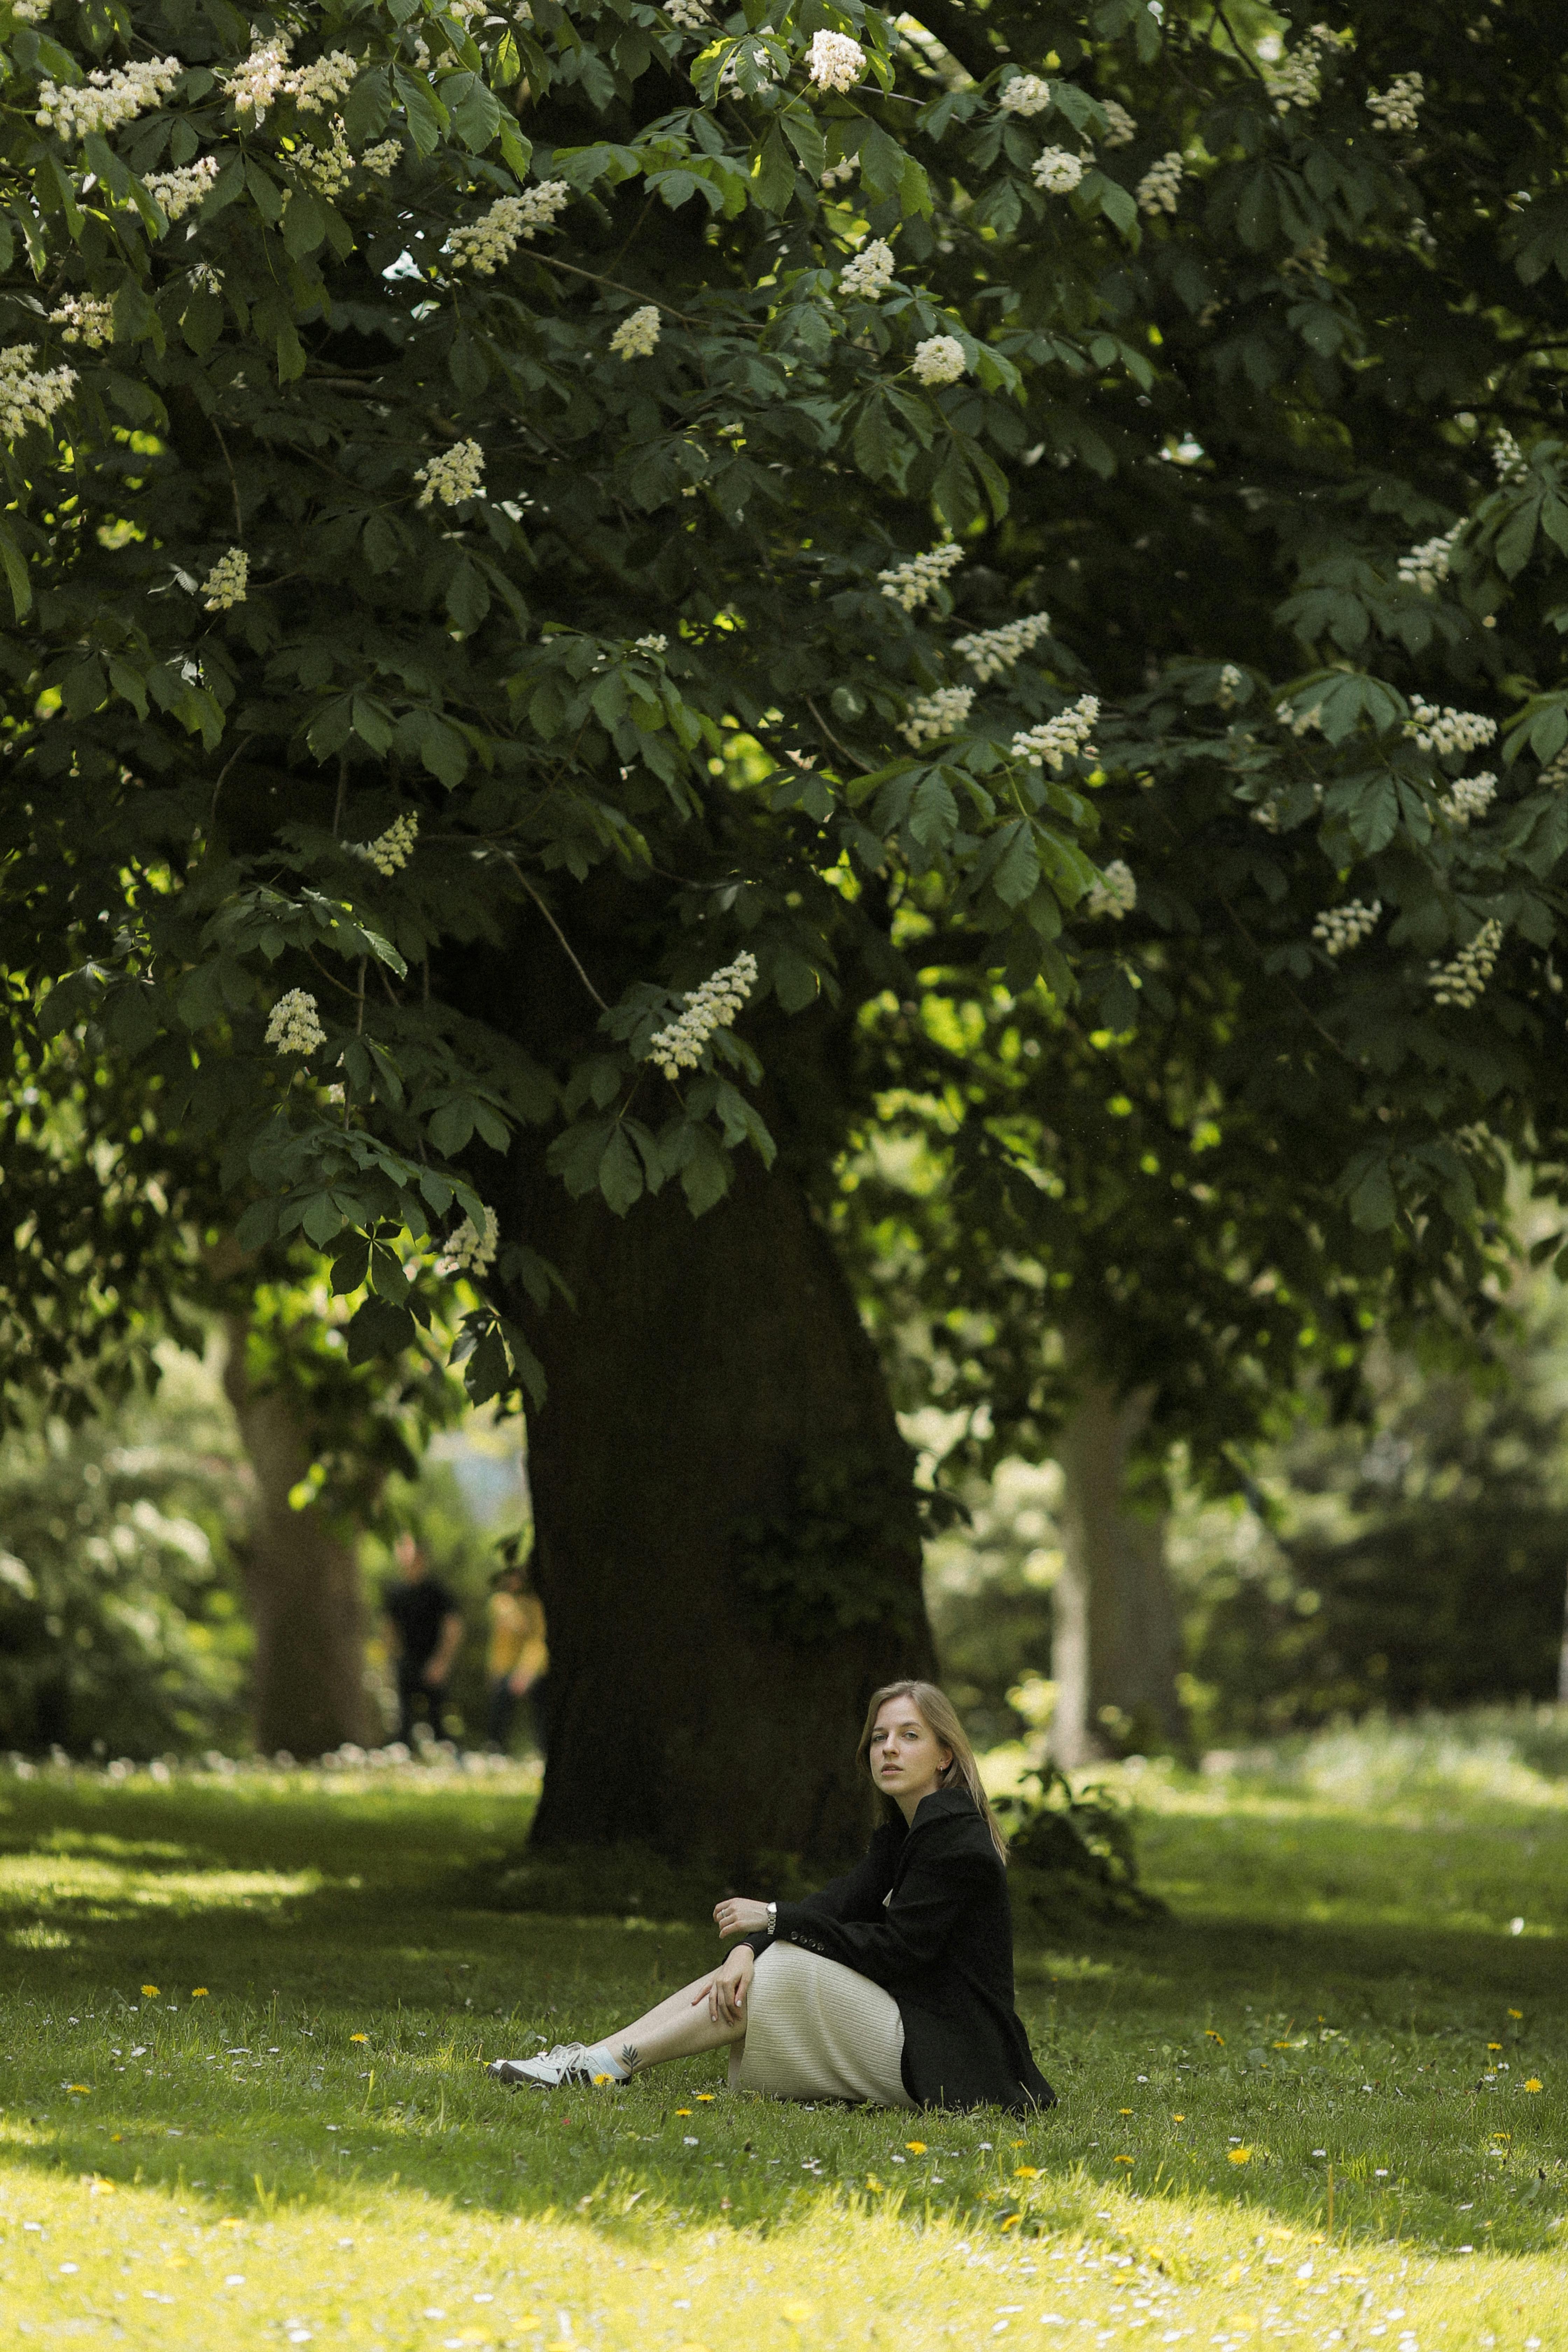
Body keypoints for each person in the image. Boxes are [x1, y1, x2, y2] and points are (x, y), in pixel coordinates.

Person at [487, 1678, 1055, 2115]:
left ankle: (609, 2065)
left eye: (910, 1736)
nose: (889, 1749)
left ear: (944, 1755)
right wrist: (748, 1947)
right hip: (921, 2029)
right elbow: (835, 1905)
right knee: (766, 1961)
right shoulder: (908, 1832)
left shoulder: (954, 1836)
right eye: (880, 1737)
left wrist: (776, 1924)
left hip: (959, 2060)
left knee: (782, 1967)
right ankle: (594, 2059)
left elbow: (898, 1950)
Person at [381, 1534, 463, 1748]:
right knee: (403, 1722)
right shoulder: (395, 1593)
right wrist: (395, 1660)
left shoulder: (437, 1592)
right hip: (407, 1661)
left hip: (433, 1660)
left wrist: (442, 1661)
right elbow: (389, 1628)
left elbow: (453, 1628)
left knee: (438, 1720)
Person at [485, 1559, 549, 1754]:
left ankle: (544, 1751)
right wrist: (495, 1670)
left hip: (534, 1669)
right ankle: (495, 1751)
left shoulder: (536, 1604)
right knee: (500, 1711)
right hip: (505, 1669)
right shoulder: (500, 1602)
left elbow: (538, 1640)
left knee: (541, 1714)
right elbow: (500, 1642)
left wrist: (526, 1671)